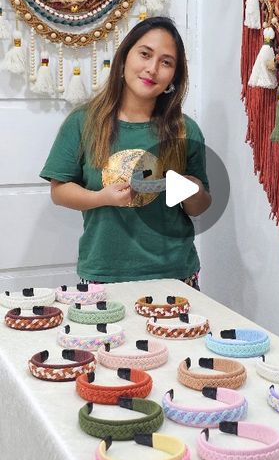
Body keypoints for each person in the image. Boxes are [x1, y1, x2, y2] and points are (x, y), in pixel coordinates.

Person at [40, 16, 211, 289]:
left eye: (166, 62)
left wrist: (191, 189)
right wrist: (101, 198)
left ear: (174, 77)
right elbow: (59, 192)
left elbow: (199, 206)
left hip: (175, 274)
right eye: (145, 54)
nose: (152, 69)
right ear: (123, 59)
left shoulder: (184, 130)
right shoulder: (83, 122)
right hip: (103, 273)